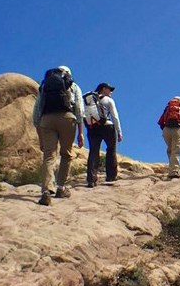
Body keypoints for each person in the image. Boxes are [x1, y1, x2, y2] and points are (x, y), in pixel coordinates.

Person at [32, 65, 84, 206]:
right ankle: (61, 188)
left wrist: (40, 135)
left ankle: (46, 191)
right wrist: (81, 132)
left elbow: (36, 112)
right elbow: (79, 108)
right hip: (67, 118)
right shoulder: (73, 85)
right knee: (66, 154)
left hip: (47, 120)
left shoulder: (44, 86)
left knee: (49, 156)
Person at [85, 82, 123, 188]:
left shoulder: (89, 99)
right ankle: (111, 176)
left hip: (93, 127)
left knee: (93, 151)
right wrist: (119, 131)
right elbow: (115, 116)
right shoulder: (109, 100)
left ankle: (91, 179)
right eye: (109, 89)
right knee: (111, 149)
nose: (111, 92)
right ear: (103, 89)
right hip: (107, 126)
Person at [157, 96, 180, 179]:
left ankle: (171, 168)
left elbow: (160, 121)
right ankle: (173, 172)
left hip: (166, 130)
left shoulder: (167, 109)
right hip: (178, 130)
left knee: (170, 149)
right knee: (175, 151)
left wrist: (164, 128)